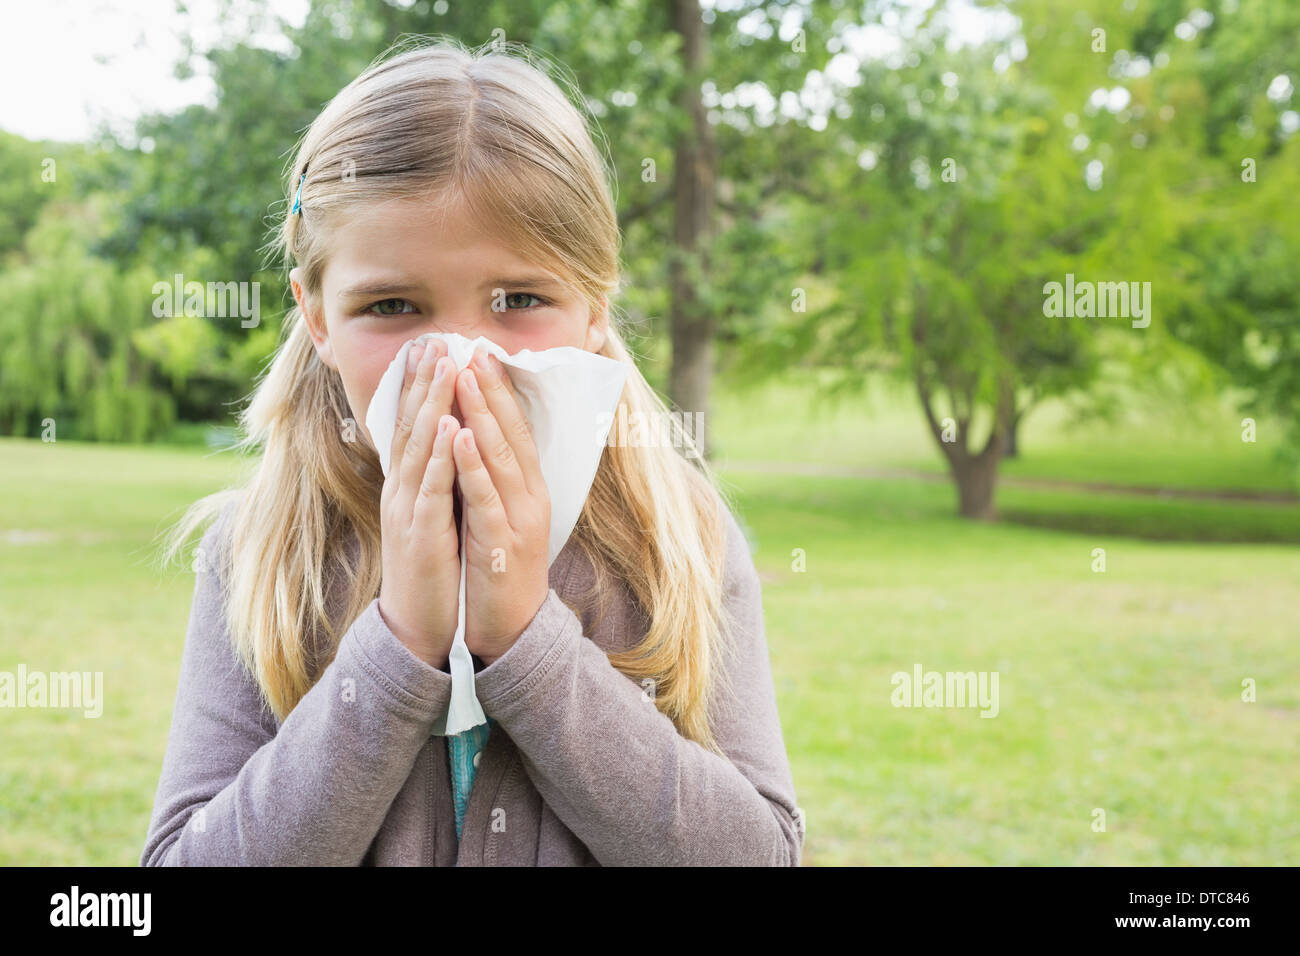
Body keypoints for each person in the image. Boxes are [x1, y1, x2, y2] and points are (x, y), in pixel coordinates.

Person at [140, 35, 804, 866]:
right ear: (316, 318)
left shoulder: (682, 541)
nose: (460, 359)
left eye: (519, 298)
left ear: (597, 308)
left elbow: (760, 856)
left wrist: (528, 640)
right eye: (392, 305)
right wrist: (398, 646)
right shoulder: (259, 555)